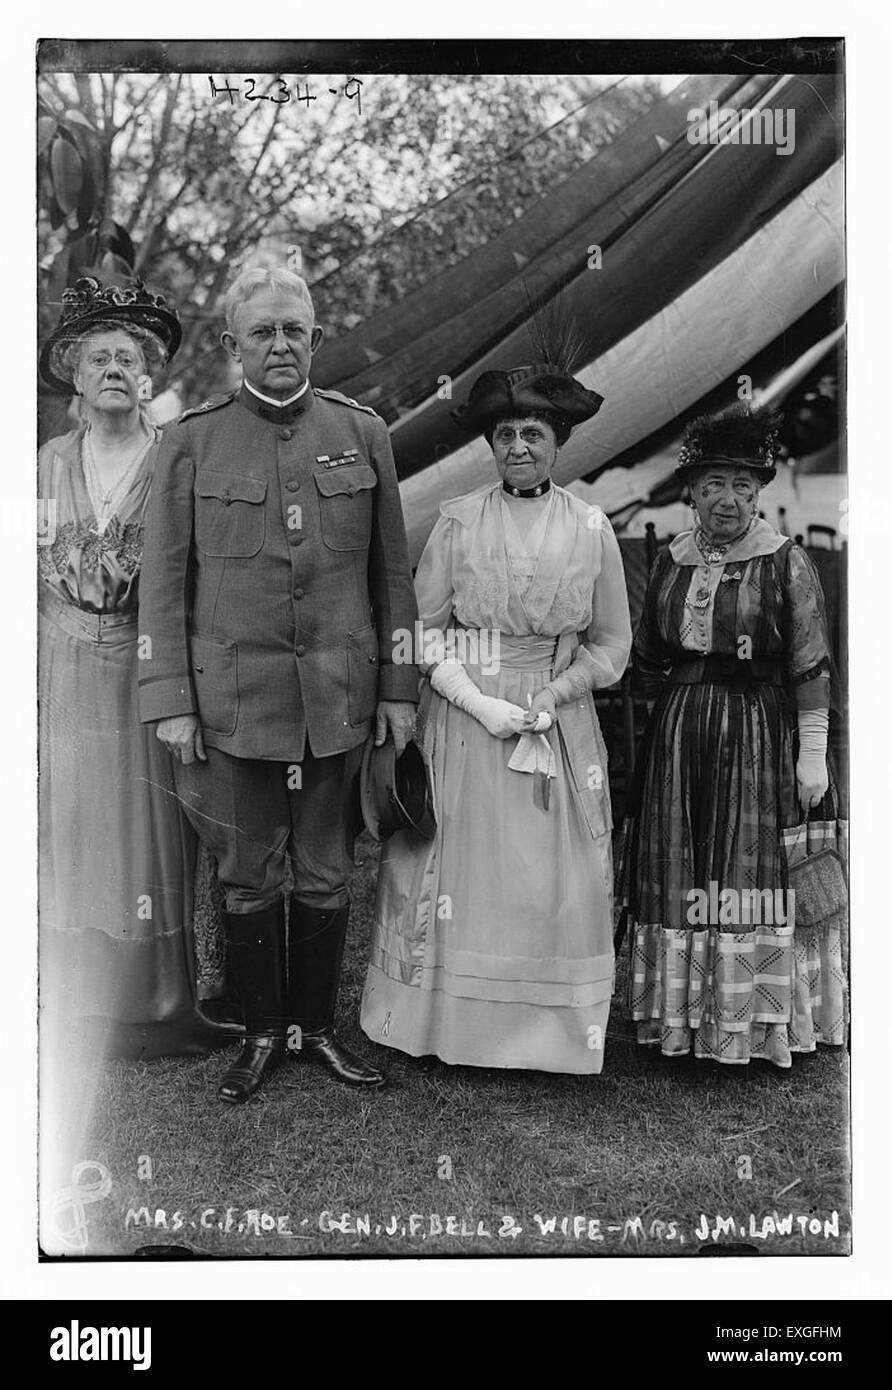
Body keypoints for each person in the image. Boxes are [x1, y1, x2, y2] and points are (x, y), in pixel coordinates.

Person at [137, 265, 419, 1103]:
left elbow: (391, 576)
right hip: (233, 707)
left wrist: (397, 687)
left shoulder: (362, 433)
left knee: (329, 871)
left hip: (338, 699)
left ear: (316, 340)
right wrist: (173, 701)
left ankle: (317, 1031)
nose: (281, 344)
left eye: (294, 330)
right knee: (248, 874)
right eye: (262, 332)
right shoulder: (189, 440)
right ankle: (262, 1033)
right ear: (232, 346)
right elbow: (164, 582)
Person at [360, 355, 632, 1073]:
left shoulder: (590, 526)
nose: (518, 447)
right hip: (464, 718)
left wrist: (555, 694)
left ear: (557, 442)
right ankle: (449, 1025)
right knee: (458, 871)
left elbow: (610, 644)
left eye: (534, 433)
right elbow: (422, 629)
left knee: (552, 875)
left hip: (553, 718)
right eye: (506, 434)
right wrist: (476, 700)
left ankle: (544, 1034)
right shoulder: (457, 523)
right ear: (490, 446)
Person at [38, 276, 234, 1058]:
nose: (114, 369)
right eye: (99, 359)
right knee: (69, 827)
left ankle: (156, 1003)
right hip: (57, 666)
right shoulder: (44, 464)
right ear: (76, 379)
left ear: (147, 378)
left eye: (129, 358)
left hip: (143, 668)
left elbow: (200, 584)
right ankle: (74, 1002)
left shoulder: (174, 462)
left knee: (145, 829)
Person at [619, 404, 847, 1067]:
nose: (728, 499)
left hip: (756, 730)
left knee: (747, 872)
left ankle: (751, 1023)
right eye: (715, 483)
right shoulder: (671, 559)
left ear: (759, 492)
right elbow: (649, 654)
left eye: (743, 485)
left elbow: (811, 664)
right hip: (681, 732)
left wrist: (811, 756)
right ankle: (683, 1018)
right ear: (691, 489)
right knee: (682, 867)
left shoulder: (785, 562)